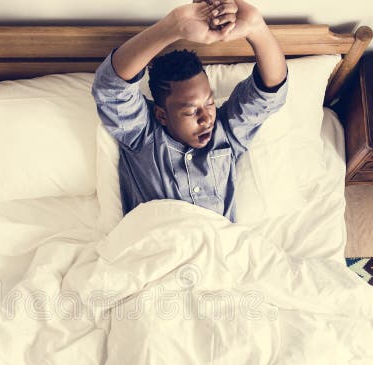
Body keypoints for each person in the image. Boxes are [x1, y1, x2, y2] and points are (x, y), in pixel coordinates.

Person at [92, 0, 288, 222]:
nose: (206, 119)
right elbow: (110, 87)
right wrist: (172, 27)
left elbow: (269, 93)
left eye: (209, 103)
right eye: (190, 112)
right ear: (161, 115)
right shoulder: (142, 137)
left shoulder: (227, 133)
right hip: (158, 250)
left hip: (219, 250)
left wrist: (257, 28)